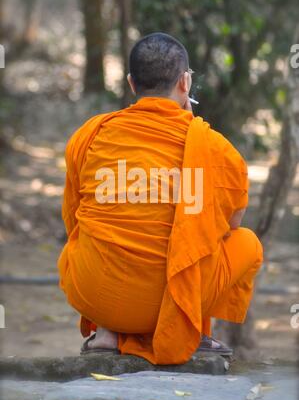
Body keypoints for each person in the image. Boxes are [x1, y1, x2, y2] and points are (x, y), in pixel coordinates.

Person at [58, 32, 263, 365]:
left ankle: (109, 331)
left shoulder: (90, 134)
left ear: (130, 83)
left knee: (81, 243)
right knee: (247, 243)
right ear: (185, 82)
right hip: (172, 301)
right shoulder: (215, 149)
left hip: (96, 295)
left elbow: (73, 217)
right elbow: (230, 226)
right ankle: (188, 330)